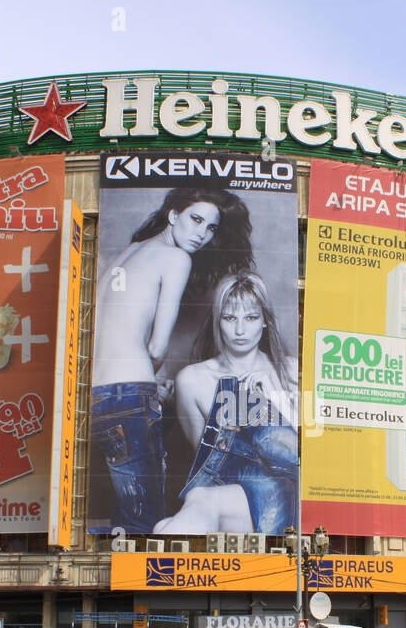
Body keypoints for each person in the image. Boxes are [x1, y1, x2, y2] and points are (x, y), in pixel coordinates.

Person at [90, 188, 253, 533]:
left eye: (210, 228)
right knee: (145, 521)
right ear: (173, 214)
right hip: (130, 395)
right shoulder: (175, 259)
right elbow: (156, 347)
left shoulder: (128, 253)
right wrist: (150, 381)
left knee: (124, 517)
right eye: (196, 219)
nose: (202, 234)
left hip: (96, 394)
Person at [155, 271, 298, 535]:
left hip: (288, 492)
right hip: (230, 491)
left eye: (251, 317)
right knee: (191, 503)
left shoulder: (290, 371)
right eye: (230, 318)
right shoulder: (193, 380)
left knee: (194, 505)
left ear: (265, 320)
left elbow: (304, 458)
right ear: (217, 321)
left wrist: (268, 399)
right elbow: (210, 463)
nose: (240, 330)